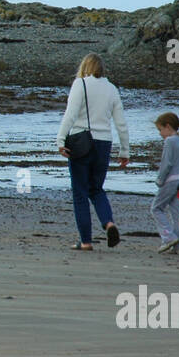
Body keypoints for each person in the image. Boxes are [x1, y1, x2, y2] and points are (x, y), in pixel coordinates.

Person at [57, 53, 129, 251]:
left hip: (82, 142)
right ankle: (109, 223)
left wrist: (60, 139)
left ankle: (86, 241)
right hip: (104, 144)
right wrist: (124, 150)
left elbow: (70, 114)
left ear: (85, 67)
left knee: (80, 192)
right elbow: (121, 123)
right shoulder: (112, 89)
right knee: (96, 189)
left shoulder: (80, 84)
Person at [152, 112, 179, 253]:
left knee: (156, 208)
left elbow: (166, 163)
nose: (160, 134)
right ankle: (176, 245)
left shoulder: (169, 141)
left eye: (160, 130)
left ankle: (168, 237)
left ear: (167, 126)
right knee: (176, 212)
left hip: (170, 180)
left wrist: (159, 180)